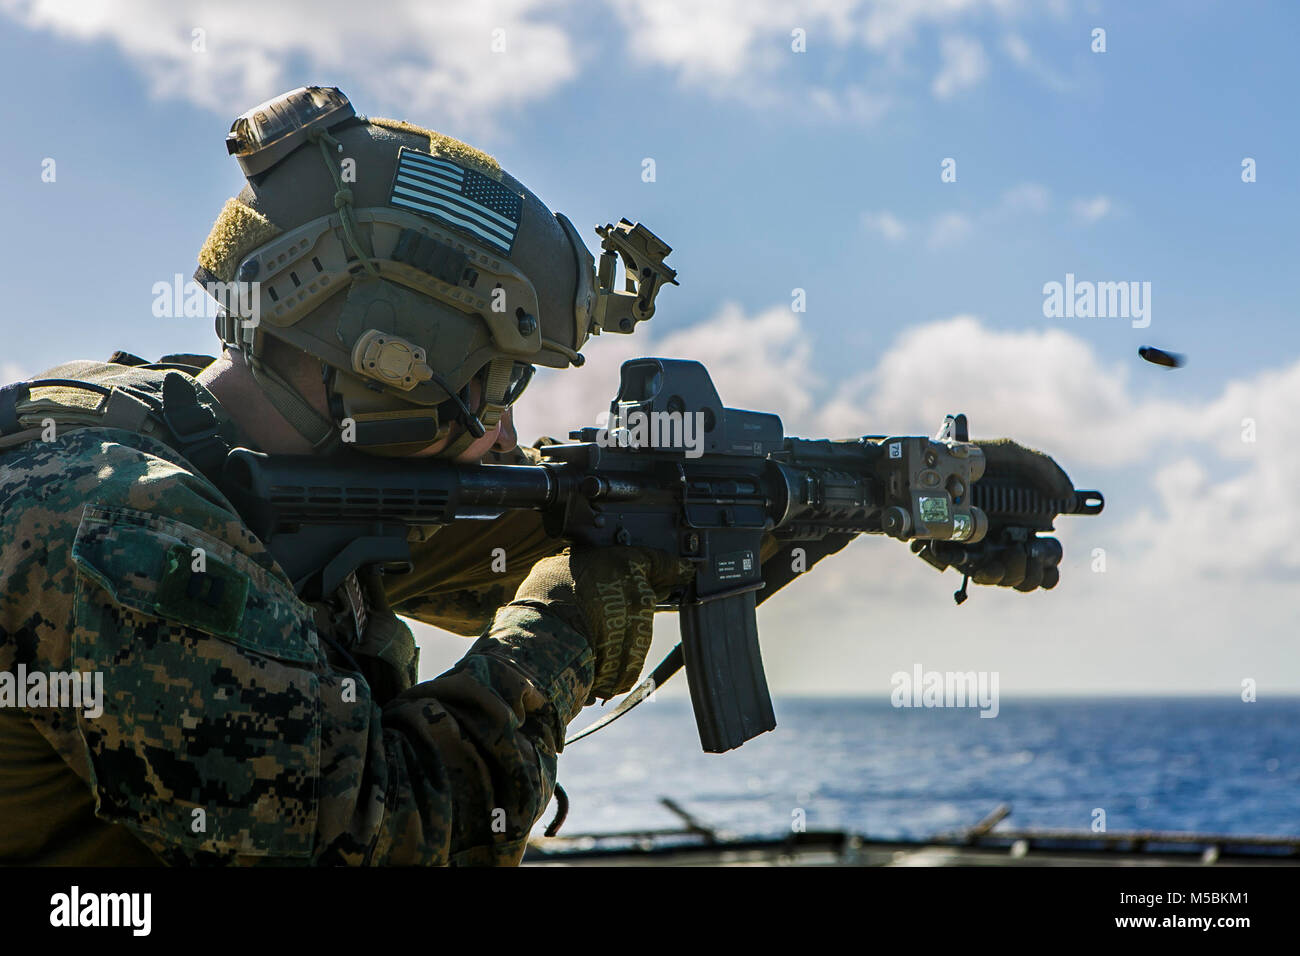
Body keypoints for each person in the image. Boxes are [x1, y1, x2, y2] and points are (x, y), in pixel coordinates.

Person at [0, 87, 1074, 865]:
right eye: (499, 381)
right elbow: (387, 837)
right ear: (388, 357)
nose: (512, 428)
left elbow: (533, 542)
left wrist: (883, 494)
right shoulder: (122, 538)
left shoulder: (241, 449)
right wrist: (556, 641)